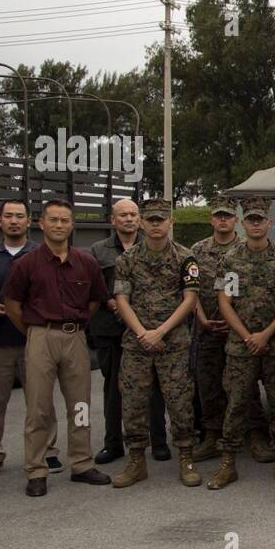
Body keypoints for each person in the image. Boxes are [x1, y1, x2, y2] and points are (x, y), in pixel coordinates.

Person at [2, 199, 112, 496]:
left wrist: (75, 325)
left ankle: (81, 463)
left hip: (74, 337)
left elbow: (96, 299)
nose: (59, 225)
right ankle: (36, 470)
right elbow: (12, 305)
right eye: (53, 220)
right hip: (40, 336)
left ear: (72, 225)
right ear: (42, 224)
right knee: (38, 408)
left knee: (80, 406)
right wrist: (35, 332)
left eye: (65, 220)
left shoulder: (86, 262)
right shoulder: (26, 264)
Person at [209, 196, 275, 490]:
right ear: (243, 222)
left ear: (269, 223)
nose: (256, 224)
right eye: (251, 219)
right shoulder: (231, 260)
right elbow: (225, 301)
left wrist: (266, 334)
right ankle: (228, 462)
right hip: (241, 346)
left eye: (261, 219)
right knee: (236, 404)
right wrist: (248, 335)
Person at [111, 198, 202, 488]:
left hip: (173, 342)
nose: (156, 225)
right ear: (141, 223)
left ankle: (186, 457)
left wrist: (160, 332)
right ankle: (136, 459)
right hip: (138, 343)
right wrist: (142, 333)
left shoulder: (185, 258)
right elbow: (121, 299)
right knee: (134, 402)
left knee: (179, 402)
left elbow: (190, 300)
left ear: (170, 222)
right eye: (150, 220)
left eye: (161, 219)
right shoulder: (127, 259)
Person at [89, 198, 170, 465]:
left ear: (140, 219)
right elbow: (94, 286)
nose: (128, 219)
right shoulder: (98, 251)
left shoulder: (151, 248)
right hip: (112, 330)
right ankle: (113, 444)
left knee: (154, 389)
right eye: (122, 215)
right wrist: (114, 304)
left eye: (133, 214)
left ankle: (158, 442)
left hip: (147, 331)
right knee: (114, 390)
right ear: (113, 220)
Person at [0, 199, 59, 477]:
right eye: (8, 216)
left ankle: (48, 451)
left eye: (20, 216)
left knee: (41, 401)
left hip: (35, 341)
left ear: (29, 221)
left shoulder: (43, 255)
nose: (14, 221)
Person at [190, 194, 243, 463]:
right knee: (208, 383)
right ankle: (211, 435)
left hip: (238, 329)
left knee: (239, 385)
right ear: (212, 218)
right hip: (207, 328)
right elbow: (190, 290)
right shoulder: (196, 251)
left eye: (228, 216)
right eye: (219, 215)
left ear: (236, 219)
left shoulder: (246, 249)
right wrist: (200, 318)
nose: (223, 220)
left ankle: (244, 433)